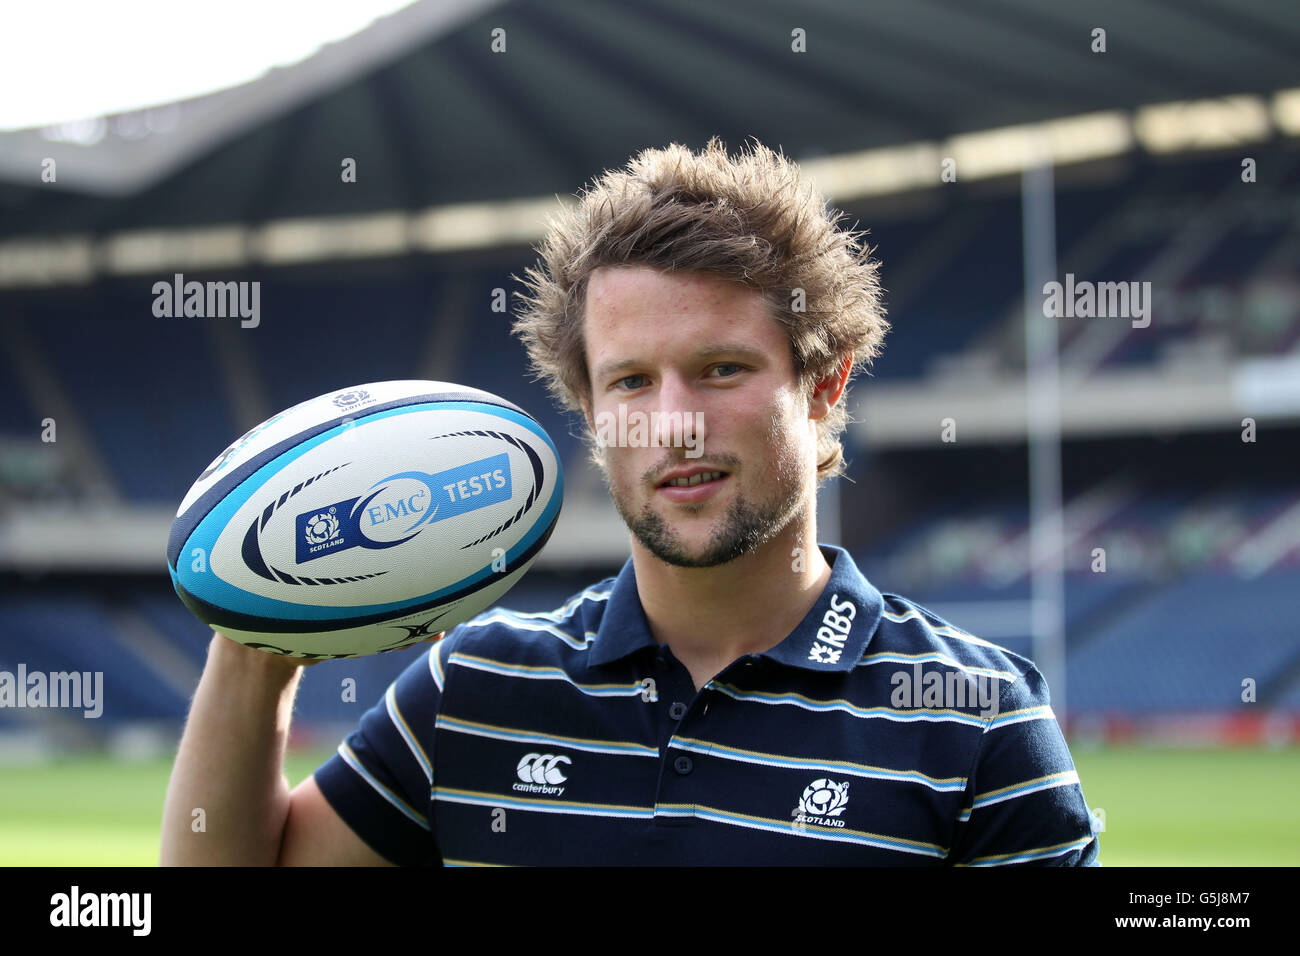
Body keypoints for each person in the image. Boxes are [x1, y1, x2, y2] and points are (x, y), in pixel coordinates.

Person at [161, 138, 1100, 866]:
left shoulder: (975, 719)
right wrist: (258, 641)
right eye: (632, 383)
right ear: (590, 412)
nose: (675, 425)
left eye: (721, 369)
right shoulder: (477, 689)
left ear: (821, 388)